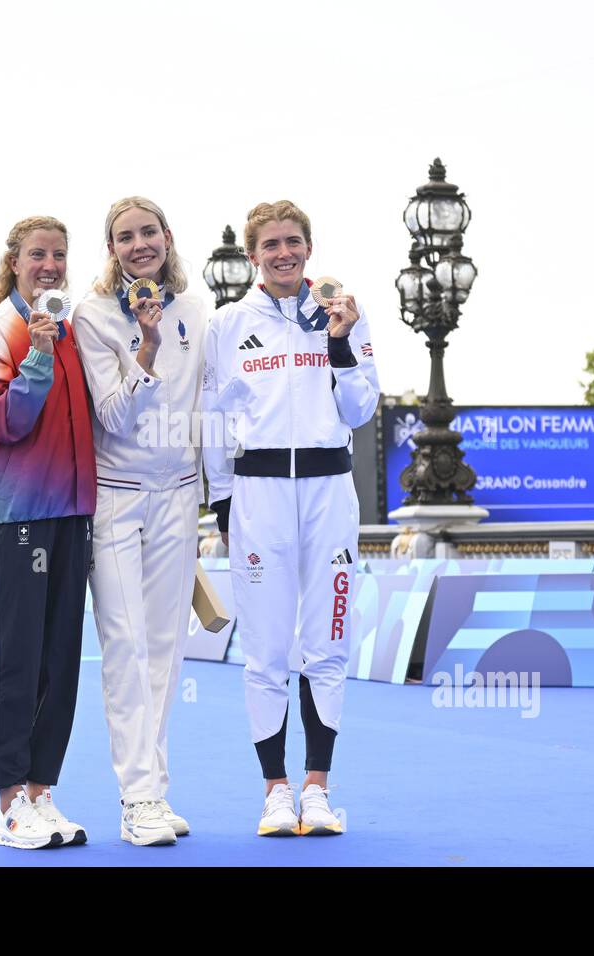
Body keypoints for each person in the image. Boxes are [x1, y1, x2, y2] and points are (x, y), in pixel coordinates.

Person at [201, 200, 380, 837]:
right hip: (258, 496)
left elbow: (360, 409)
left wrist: (338, 342)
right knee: (265, 649)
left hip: (331, 491)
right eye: (271, 244)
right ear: (253, 255)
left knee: (327, 644)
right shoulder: (227, 325)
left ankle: (318, 788)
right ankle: (275, 791)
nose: (284, 253)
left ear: (309, 247)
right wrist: (222, 503)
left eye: (294, 242)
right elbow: (214, 423)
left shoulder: (343, 312)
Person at [72, 197, 209, 846]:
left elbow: (214, 409)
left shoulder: (198, 313)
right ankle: (138, 801)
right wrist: (147, 348)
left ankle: (152, 787)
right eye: (124, 238)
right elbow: (114, 418)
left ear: (167, 237)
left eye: (147, 232)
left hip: (179, 497)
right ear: (112, 250)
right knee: (124, 647)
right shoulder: (92, 318)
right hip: (118, 498)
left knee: (164, 649)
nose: (138, 245)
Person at [0, 216, 96, 850]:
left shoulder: (66, 330)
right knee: (15, 662)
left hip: (69, 515)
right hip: (15, 520)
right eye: (38, 254)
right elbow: (1, 421)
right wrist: (37, 357)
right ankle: (10, 804)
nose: (50, 265)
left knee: (59, 661)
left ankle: (42, 794)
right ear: (14, 262)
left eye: (59, 255)